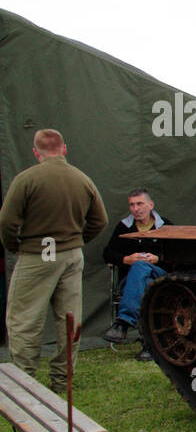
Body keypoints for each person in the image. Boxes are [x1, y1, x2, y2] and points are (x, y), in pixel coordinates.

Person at [0, 129, 108, 393]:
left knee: (25, 319)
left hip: (37, 254)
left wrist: (15, 247)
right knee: (69, 321)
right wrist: (76, 240)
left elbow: (7, 221)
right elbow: (100, 221)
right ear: (64, 149)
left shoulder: (27, 179)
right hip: (71, 256)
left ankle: (25, 381)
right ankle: (62, 381)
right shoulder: (82, 179)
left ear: (36, 152)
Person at [102, 188, 168, 360]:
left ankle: (123, 323)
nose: (135, 209)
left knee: (142, 268)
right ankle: (149, 344)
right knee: (142, 280)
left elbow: (181, 257)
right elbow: (107, 253)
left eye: (140, 204)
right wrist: (126, 259)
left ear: (150, 205)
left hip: (160, 277)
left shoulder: (166, 226)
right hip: (131, 282)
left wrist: (158, 259)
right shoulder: (123, 227)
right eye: (132, 205)